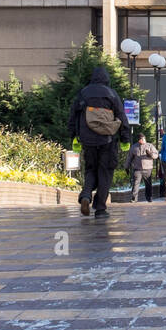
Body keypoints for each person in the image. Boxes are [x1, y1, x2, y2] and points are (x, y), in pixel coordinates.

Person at [67, 66, 129, 217]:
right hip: (107, 140)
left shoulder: (84, 93)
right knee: (105, 172)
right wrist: (125, 138)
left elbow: (73, 115)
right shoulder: (111, 94)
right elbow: (121, 116)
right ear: (106, 79)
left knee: (90, 169)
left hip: (88, 139)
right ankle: (100, 209)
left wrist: (73, 134)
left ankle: (86, 195)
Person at [127, 133, 159, 202]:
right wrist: (126, 166)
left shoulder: (150, 146)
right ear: (139, 140)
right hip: (137, 169)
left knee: (148, 184)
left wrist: (150, 154)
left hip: (148, 169)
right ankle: (134, 198)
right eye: (142, 139)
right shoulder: (134, 147)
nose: (143, 140)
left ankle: (149, 197)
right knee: (135, 183)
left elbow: (156, 155)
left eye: (144, 138)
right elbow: (129, 157)